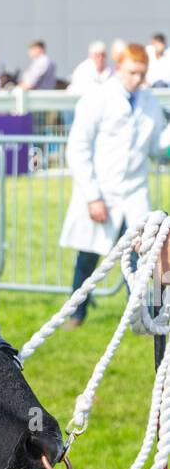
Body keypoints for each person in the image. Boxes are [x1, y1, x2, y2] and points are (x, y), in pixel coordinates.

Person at [60, 43, 170, 325]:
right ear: (119, 66)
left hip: (134, 192)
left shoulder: (149, 102)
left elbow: (157, 147)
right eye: (133, 72)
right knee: (88, 257)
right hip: (101, 190)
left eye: (142, 73)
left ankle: (135, 315)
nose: (137, 79)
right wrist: (92, 196)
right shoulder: (97, 98)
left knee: (137, 256)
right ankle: (77, 310)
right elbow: (78, 149)